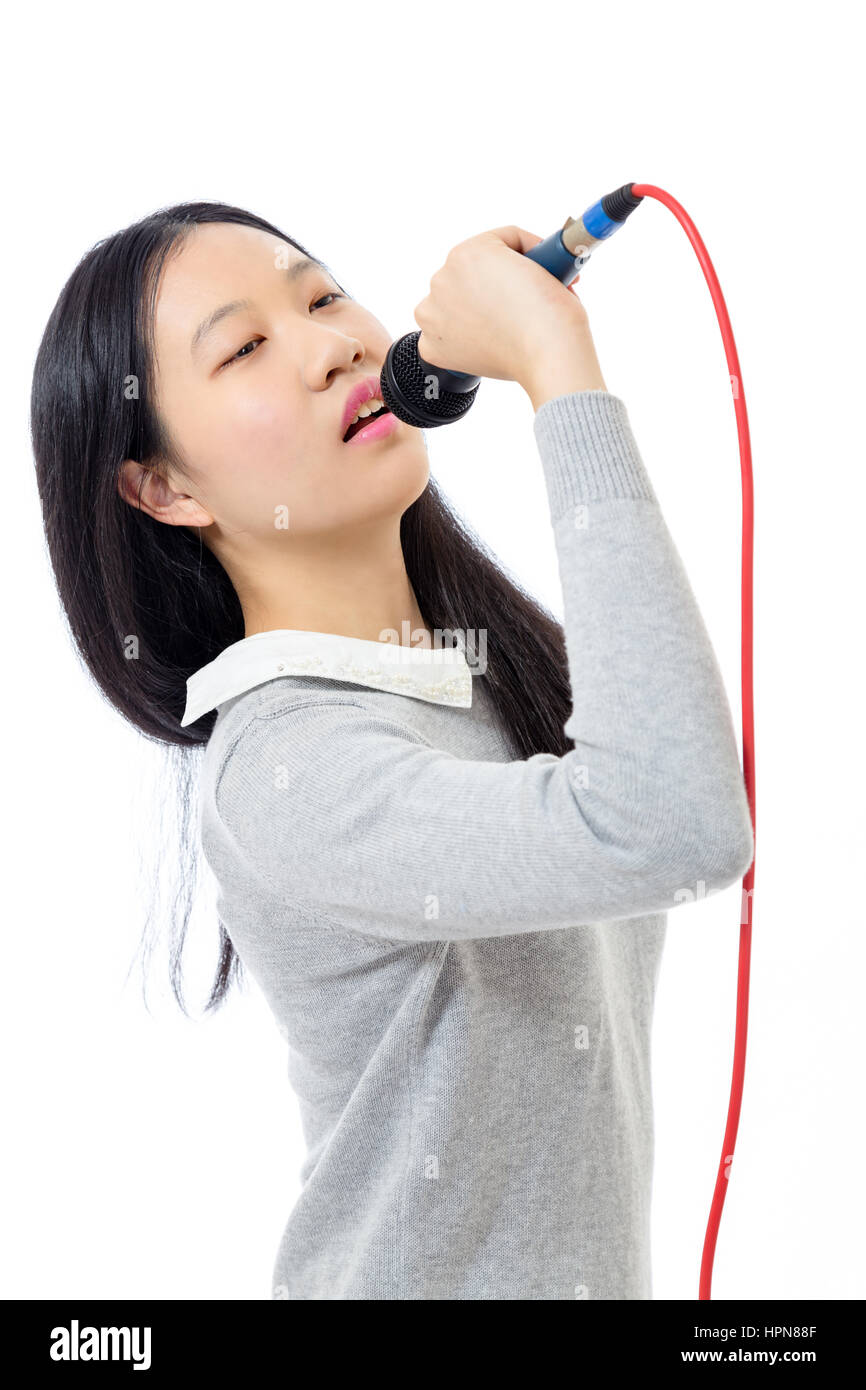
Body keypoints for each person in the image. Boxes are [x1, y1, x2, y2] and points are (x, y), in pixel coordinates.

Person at [31, 200, 754, 1301]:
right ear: (166, 488)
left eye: (323, 296)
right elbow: (673, 821)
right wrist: (559, 367)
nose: (333, 346)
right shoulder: (288, 770)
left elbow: (670, 778)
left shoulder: (484, 675)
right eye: (245, 347)